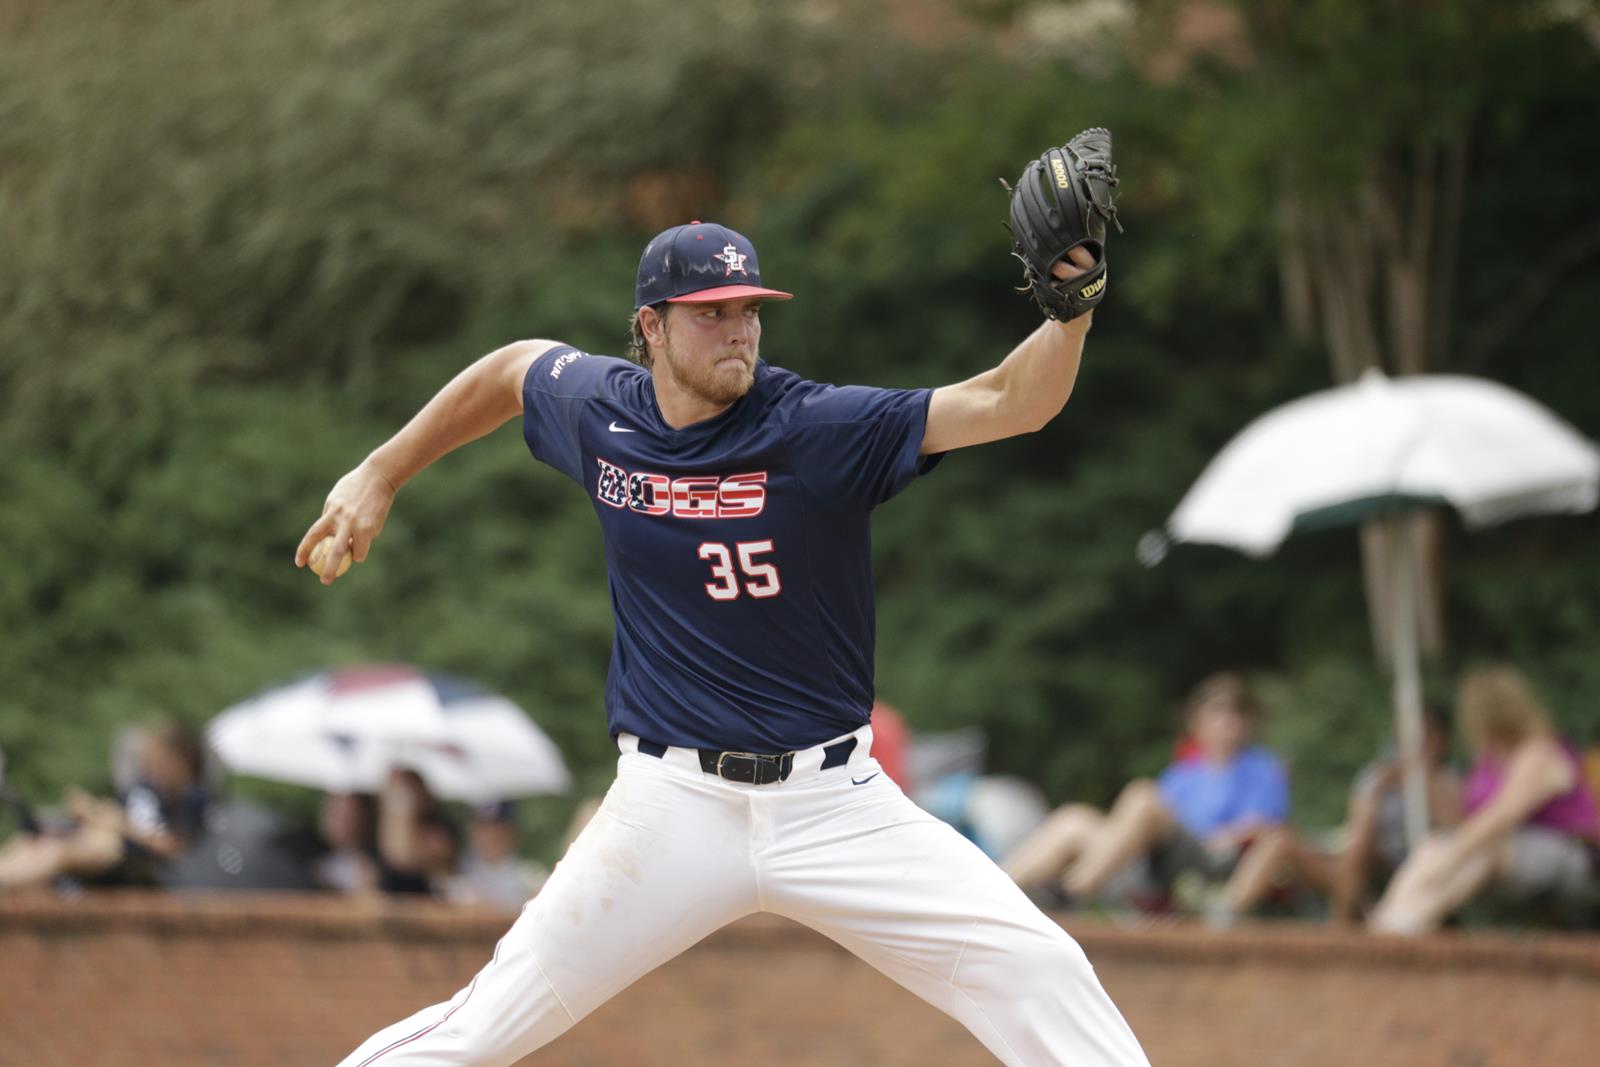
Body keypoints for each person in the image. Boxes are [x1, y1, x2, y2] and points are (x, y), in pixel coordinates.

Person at [299, 217, 1149, 1065]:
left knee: (1042, 969)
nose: (737, 328)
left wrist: (1069, 307)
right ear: (651, 326)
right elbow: (511, 370)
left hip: (835, 803)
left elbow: (1012, 401)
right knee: (480, 1026)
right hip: (671, 806)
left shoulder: (814, 430)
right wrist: (381, 471)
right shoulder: (602, 413)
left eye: (747, 308)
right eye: (710, 311)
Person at [1003, 672, 1289, 910]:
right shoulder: (1183, 774)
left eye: (1234, 716)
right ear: (1196, 722)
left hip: (1209, 859)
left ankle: (1073, 890)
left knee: (1141, 797)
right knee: (1073, 819)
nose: (1226, 724)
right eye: (1217, 715)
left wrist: (1225, 837)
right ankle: (992, 892)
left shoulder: (1261, 769)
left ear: (1247, 723)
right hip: (1156, 856)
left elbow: (1266, 827)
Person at [1370, 665, 1599, 936]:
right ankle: (1387, 923)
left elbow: (1501, 818)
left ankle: (1406, 925)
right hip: (1512, 853)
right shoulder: (1489, 760)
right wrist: (1425, 777)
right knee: (1433, 845)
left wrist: (1449, 859)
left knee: (1482, 849)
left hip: (1577, 858)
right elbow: (1465, 820)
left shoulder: (1540, 753)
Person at [1220, 703, 1462, 924]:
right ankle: (1224, 911)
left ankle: (1338, 926)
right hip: (1356, 863)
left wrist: (1424, 778)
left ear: (1441, 739)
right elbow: (1357, 827)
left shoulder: (1450, 779)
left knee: (1359, 849)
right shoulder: (1377, 776)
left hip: (1406, 864)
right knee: (1281, 840)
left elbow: (1456, 827)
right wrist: (1377, 792)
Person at [0, 721, 209, 892]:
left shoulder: (190, 796)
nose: (150, 766)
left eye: (157, 760)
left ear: (181, 760)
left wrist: (121, 825)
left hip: (132, 859)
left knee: (58, 851)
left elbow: (176, 849)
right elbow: (118, 813)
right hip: (103, 840)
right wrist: (93, 812)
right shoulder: (144, 787)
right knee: (30, 842)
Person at [442, 801, 549, 912]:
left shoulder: (530, 876)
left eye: (498, 829)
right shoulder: (454, 872)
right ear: (471, 831)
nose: (491, 836)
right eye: (483, 829)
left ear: (513, 831)